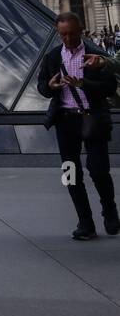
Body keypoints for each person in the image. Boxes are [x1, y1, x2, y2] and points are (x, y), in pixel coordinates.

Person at [40, 13, 118, 240]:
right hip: (65, 121)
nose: (67, 38)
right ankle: (85, 221)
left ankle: (109, 209)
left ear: (81, 30)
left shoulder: (97, 56)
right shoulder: (52, 57)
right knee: (70, 173)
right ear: (58, 33)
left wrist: (84, 84)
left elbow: (109, 88)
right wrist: (51, 86)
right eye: (63, 34)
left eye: (72, 33)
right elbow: (42, 87)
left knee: (99, 170)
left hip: (93, 118)